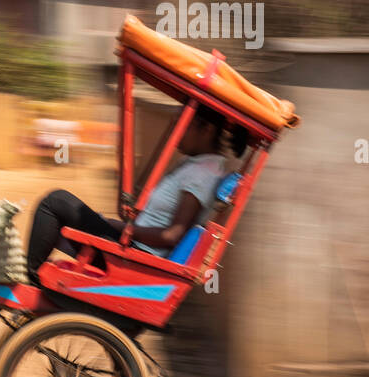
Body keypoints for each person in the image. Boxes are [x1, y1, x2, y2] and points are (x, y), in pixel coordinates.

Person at [26, 104, 248, 276]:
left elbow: (173, 235)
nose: (175, 132)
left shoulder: (203, 173)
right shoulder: (201, 166)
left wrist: (125, 230)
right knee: (60, 206)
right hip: (134, 245)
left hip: (137, 255)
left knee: (55, 202)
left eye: (182, 125)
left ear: (206, 130)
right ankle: (34, 273)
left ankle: (31, 275)